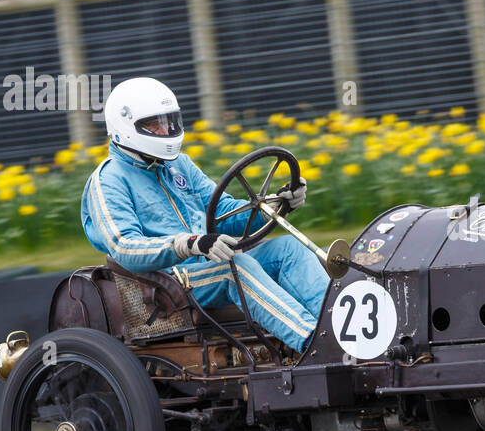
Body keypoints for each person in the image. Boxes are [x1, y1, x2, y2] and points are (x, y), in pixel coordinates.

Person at [81, 77, 329, 353]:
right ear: (126, 127)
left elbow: (223, 213)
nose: (165, 131)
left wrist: (276, 204)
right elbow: (123, 246)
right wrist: (189, 243)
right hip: (166, 283)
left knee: (287, 249)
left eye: (169, 122)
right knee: (236, 268)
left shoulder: (179, 165)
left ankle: (343, 327)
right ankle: (315, 344)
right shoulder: (108, 180)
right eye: (154, 125)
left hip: (208, 261)